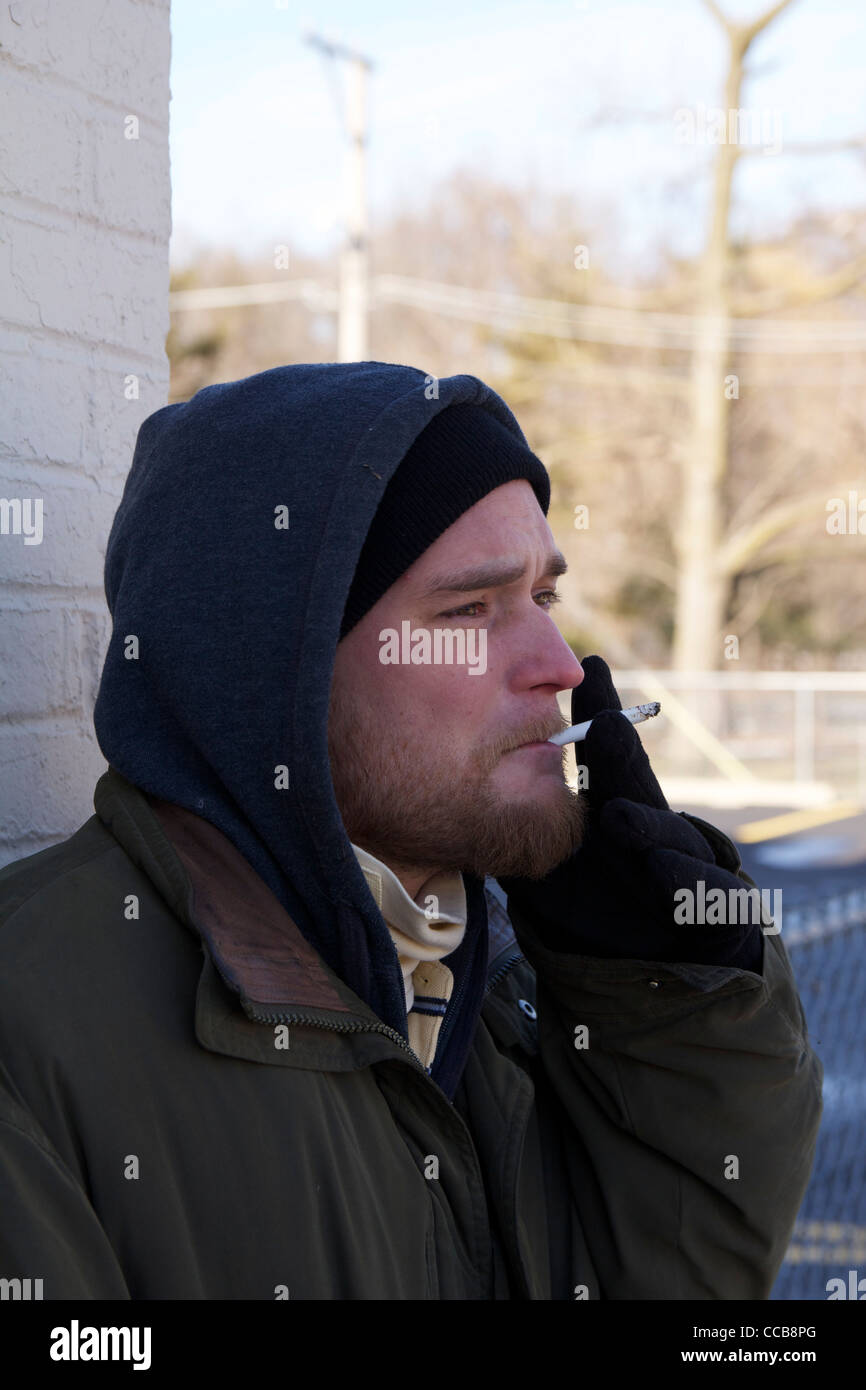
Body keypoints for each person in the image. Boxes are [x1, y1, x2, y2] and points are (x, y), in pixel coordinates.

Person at [0, 362, 822, 1300]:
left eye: (543, 598)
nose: (559, 666)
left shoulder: (495, 983)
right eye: (470, 610)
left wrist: (668, 1002)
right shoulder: (35, 1047)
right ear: (280, 673)